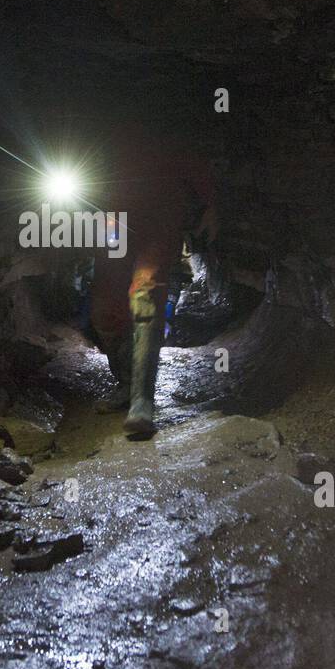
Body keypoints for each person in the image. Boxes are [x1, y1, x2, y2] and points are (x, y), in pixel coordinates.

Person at [88, 124, 217, 436]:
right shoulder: (103, 141)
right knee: (105, 308)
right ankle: (126, 383)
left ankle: (141, 401)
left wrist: (212, 206)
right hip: (114, 224)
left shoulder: (169, 137)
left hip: (160, 225)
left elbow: (197, 169)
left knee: (145, 293)